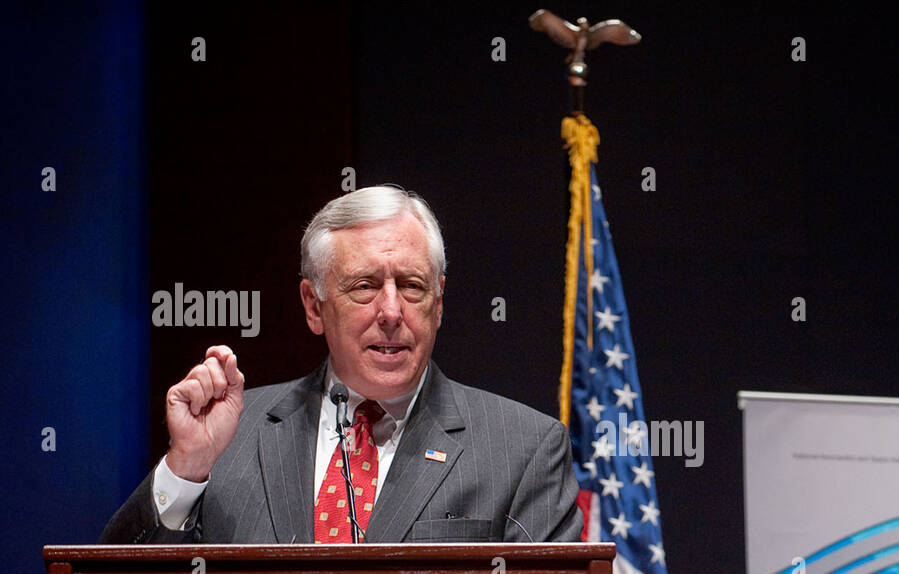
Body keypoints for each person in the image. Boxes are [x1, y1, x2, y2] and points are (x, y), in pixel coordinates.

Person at [101, 186, 582, 545]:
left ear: (439, 303)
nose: (391, 311)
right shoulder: (228, 437)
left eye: (412, 286)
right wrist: (186, 470)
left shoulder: (523, 449)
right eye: (364, 286)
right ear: (314, 306)